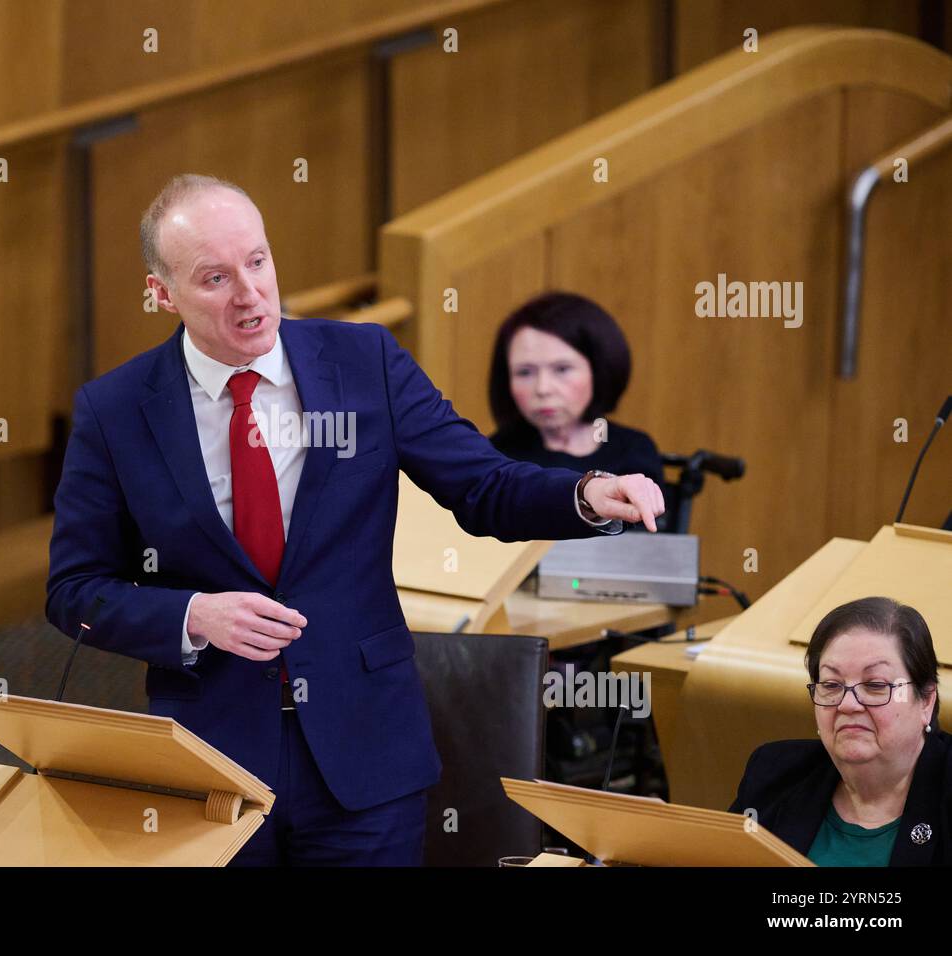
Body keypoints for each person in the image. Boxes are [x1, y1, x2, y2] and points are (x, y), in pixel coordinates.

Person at [46, 174, 665, 866]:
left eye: (258, 261)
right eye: (216, 278)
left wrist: (583, 494)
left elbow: (483, 485)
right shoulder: (115, 409)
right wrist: (193, 616)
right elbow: (74, 591)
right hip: (210, 763)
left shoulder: (363, 361)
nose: (250, 294)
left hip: (365, 755)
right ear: (161, 293)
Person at [730, 596, 949, 865]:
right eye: (832, 685)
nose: (847, 704)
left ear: (926, 699)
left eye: (876, 685)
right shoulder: (774, 774)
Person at [488, 292, 664, 490]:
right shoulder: (496, 454)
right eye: (525, 372)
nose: (542, 389)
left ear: (598, 370)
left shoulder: (633, 450)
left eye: (562, 369)